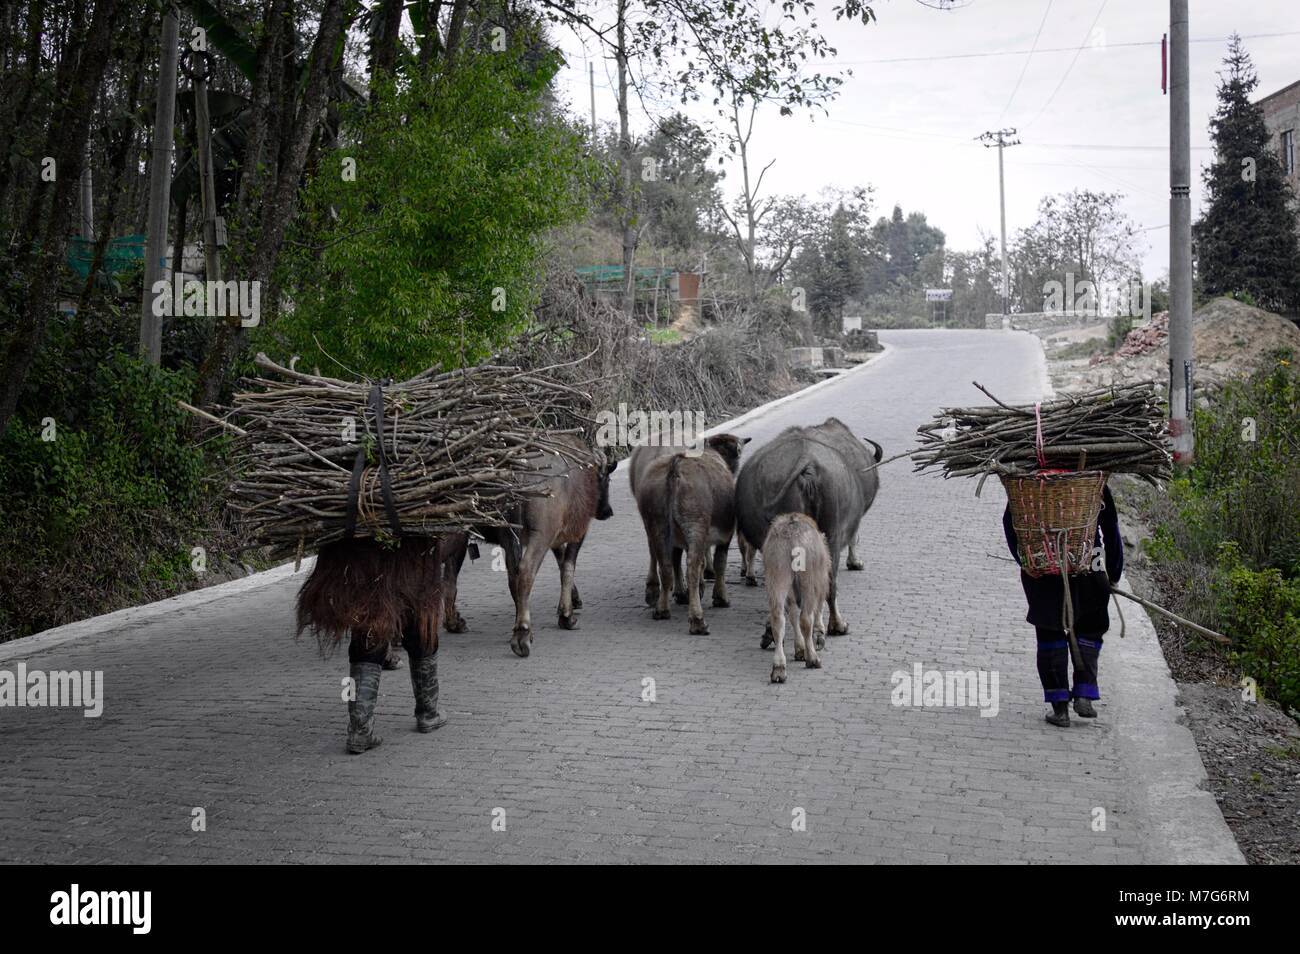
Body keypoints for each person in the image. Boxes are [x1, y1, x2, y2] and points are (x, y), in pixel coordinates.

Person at [1003, 483, 1123, 728]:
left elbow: (1010, 522)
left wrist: (1024, 560)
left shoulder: (1029, 483)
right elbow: (1110, 526)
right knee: (1090, 626)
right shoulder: (1093, 482)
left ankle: (1060, 708)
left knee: (1050, 630)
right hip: (1090, 562)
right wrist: (1114, 571)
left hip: (1042, 561)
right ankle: (1084, 694)